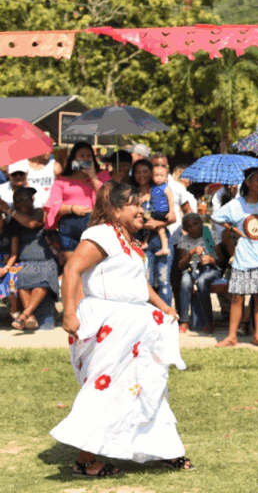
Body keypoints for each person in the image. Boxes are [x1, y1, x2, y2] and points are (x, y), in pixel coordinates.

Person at [51, 181, 192, 477]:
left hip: (136, 325)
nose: (142, 210)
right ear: (115, 210)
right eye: (134, 205)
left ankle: (162, 449)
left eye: (141, 204)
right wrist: (69, 313)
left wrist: (164, 307)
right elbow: (72, 269)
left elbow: (139, 284)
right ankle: (85, 460)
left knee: (149, 387)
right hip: (110, 324)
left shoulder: (129, 241)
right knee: (109, 386)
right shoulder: (101, 235)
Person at [211, 167, 258, 348]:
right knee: (237, 298)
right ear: (248, 183)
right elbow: (215, 217)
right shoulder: (236, 204)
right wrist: (233, 229)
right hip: (243, 257)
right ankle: (231, 337)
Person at [3, 187, 55, 331]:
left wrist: (9, 210)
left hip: (44, 258)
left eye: (24, 198)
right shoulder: (13, 221)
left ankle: (24, 316)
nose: (21, 202)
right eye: (17, 200)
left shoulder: (39, 212)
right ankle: (30, 318)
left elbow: (32, 224)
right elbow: (13, 248)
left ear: (32, 199)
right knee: (20, 277)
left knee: (44, 277)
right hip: (24, 260)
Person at [45, 142, 103, 263]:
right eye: (81, 156)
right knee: (72, 267)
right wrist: (72, 208)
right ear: (73, 159)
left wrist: (93, 177)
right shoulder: (62, 180)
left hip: (92, 225)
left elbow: (106, 197)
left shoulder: (100, 177)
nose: (85, 159)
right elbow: (53, 205)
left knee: (91, 267)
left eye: (89, 156)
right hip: (68, 227)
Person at [130, 160, 176, 311]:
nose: (141, 175)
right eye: (138, 172)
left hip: (161, 241)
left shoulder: (158, 189)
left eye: (145, 171)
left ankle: (167, 317)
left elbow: (173, 218)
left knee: (164, 281)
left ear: (151, 173)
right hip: (140, 242)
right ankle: (149, 317)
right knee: (146, 282)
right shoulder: (131, 193)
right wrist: (144, 225)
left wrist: (156, 224)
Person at [176, 213, 225, 334]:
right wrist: (190, 253)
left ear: (201, 224)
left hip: (211, 269)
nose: (193, 228)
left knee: (202, 281)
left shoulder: (211, 235)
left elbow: (222, 260)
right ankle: (184, 320)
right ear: (185, 229)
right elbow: (181, 266)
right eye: (189, 226)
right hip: (191, 269)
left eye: (195, 224)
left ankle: (208, 321)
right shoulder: (184, 240)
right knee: (185, 281)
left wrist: (211, 259)